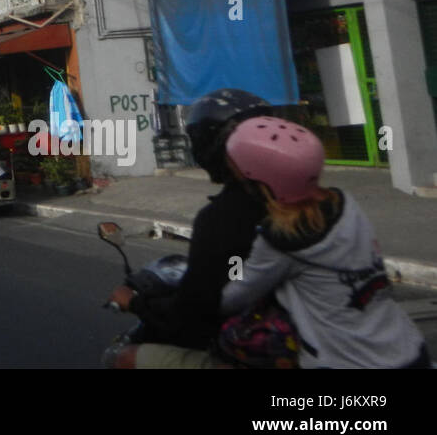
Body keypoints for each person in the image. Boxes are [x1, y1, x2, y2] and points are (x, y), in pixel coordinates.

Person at [220, 116, 431, 369]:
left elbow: (234, 297)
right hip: (408, 349)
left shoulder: (282, 241)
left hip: (346, 362)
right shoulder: (344, 203)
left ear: (261, 183)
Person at [104, 88, 272, 369]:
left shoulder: (224, 216)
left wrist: (134, 303)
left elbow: (193, 316)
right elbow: (237, 272)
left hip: (262, 352)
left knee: (122, 359)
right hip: (320, 342)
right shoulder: (315, 202)